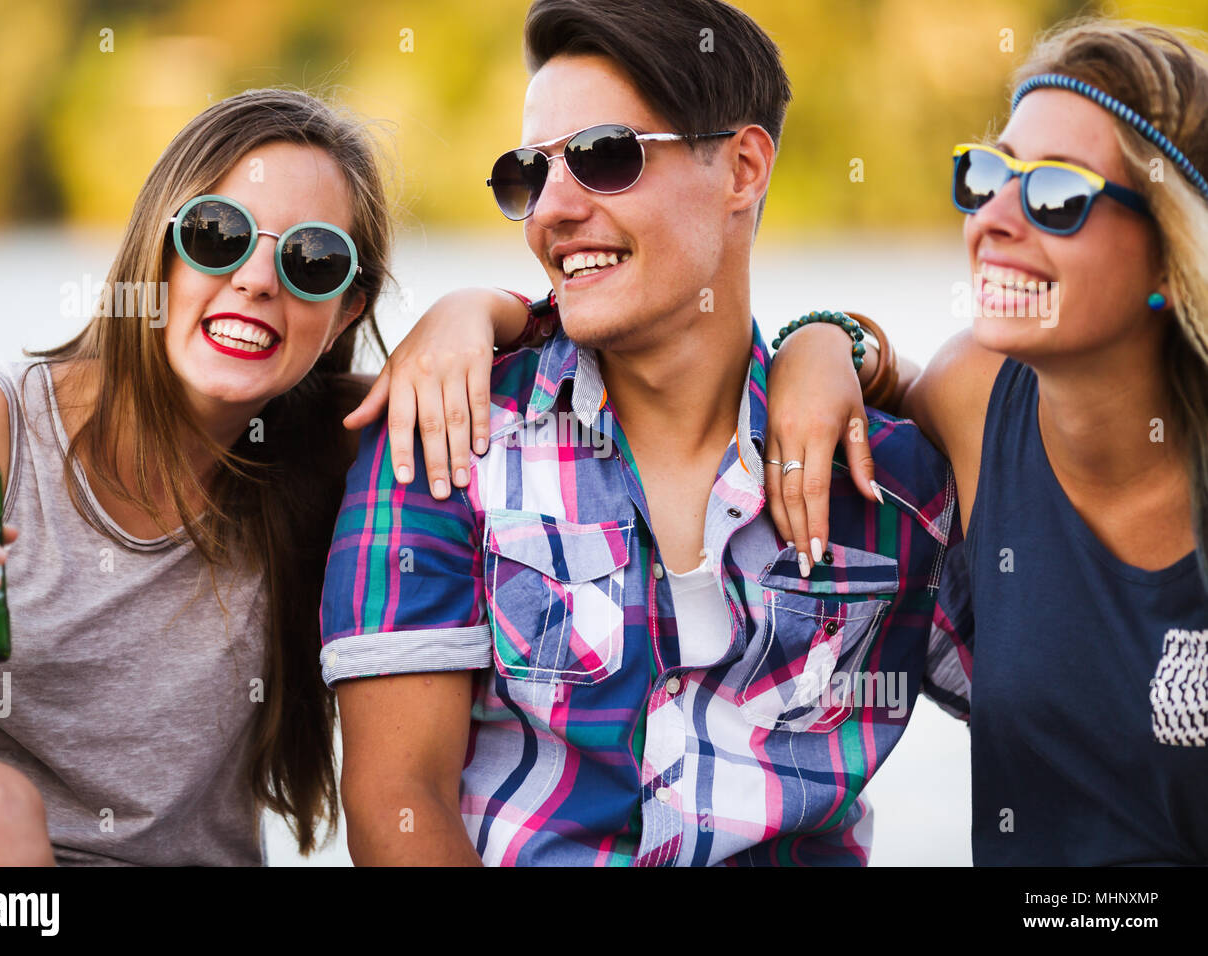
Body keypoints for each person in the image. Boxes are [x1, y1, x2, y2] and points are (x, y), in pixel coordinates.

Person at [322, 0, 971, 867]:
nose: (551, 209)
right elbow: (398, 804)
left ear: (742, 168)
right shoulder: (447, 439)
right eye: (529, 172)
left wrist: (838, 341)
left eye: (602, 157)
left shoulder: (894, 482)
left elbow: (1077, 728)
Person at [0, 88, 522, 865]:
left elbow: (539, 377)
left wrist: (473, 307)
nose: (259, 281)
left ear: (344, 309)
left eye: (311, 259)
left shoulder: (349, 446)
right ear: (155, 251)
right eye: (217, 235)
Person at [761, 19, 1208, 865]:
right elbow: (880, 373)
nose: (993, 220)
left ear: (1169, 258)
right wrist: (822, 339)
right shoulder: (978, 395)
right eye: (987, 175)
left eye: (1056, 195)